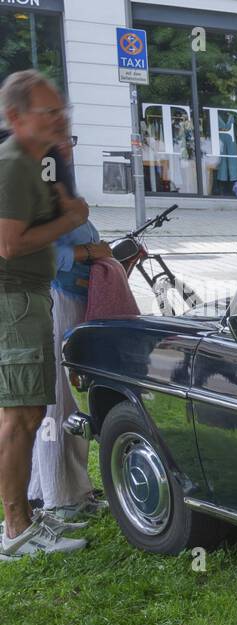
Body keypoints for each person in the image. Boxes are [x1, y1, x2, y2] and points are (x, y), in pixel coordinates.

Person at [0, 70, 89, 559]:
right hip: (14, 298)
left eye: (61, 109)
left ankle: (24, 522)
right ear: (16, 117)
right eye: (48, 111)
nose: (60, 117)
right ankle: (15, 531)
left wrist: (64, 202)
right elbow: (9, 245)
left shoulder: (38, 163)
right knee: (20, 415)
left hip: (28, 296)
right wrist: (70, 221)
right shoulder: (13, 164)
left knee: (30, 410)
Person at [28, 132, 111, 523]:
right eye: (61, 137)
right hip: (59, 297)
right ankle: (61, 497)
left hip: (72, 294)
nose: (70, 146)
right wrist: (92, 252)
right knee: (60, 400)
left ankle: (56, 490)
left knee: (64, 398)